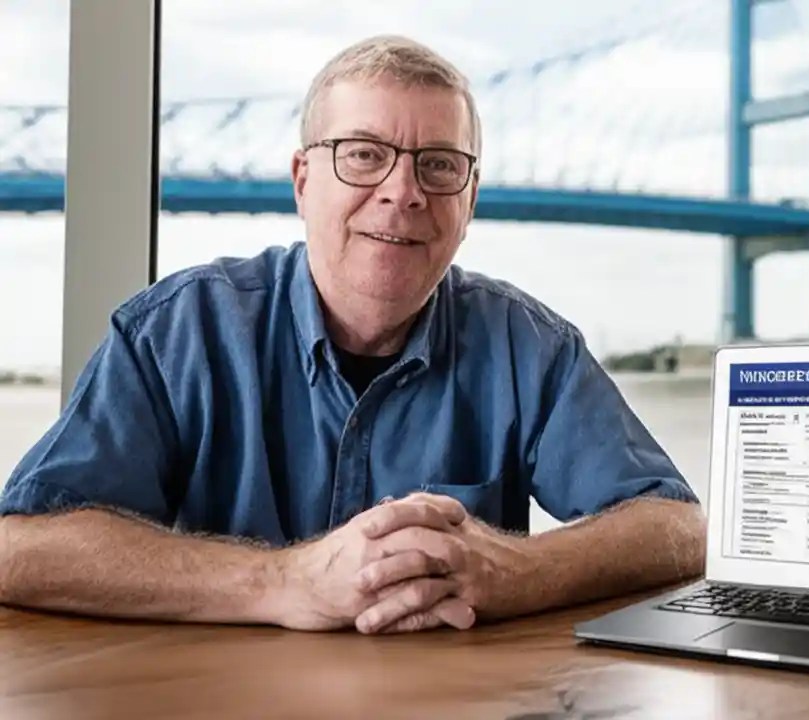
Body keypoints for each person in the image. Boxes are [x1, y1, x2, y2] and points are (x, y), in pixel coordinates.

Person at [0, 35, 705, 635]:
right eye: (364, 154)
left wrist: (515, 569)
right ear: (303, 180)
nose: (404, 191)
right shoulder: (176, 333)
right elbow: (19, 548)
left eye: (439, 164)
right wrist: (283, 582)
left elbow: (675, 526)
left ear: (470, 199)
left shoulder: (531, 345)